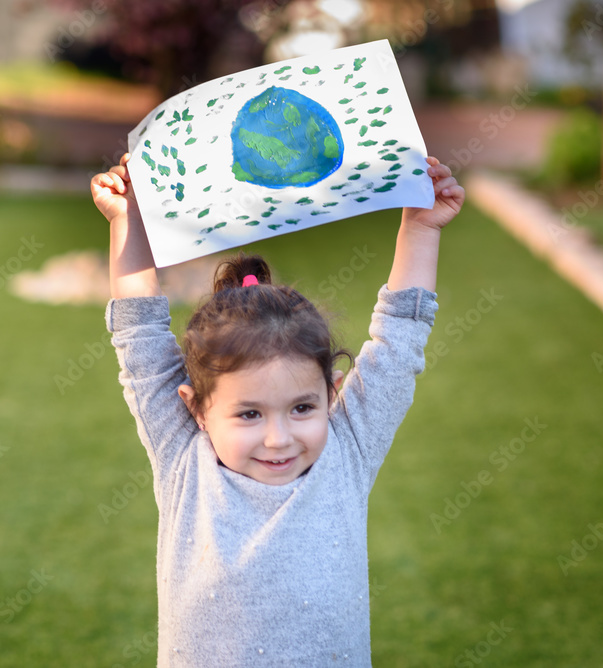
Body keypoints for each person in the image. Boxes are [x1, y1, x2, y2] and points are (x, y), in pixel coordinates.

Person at [91, 152, 464, 665]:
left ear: (331, 394)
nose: (279, 438)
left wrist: (420, 228)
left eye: (302, 408)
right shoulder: (182, 456)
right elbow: (139, 335)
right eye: (249, 414)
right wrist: (128, 220)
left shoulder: (347, 450)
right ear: (197, 409)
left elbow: (399, 341)